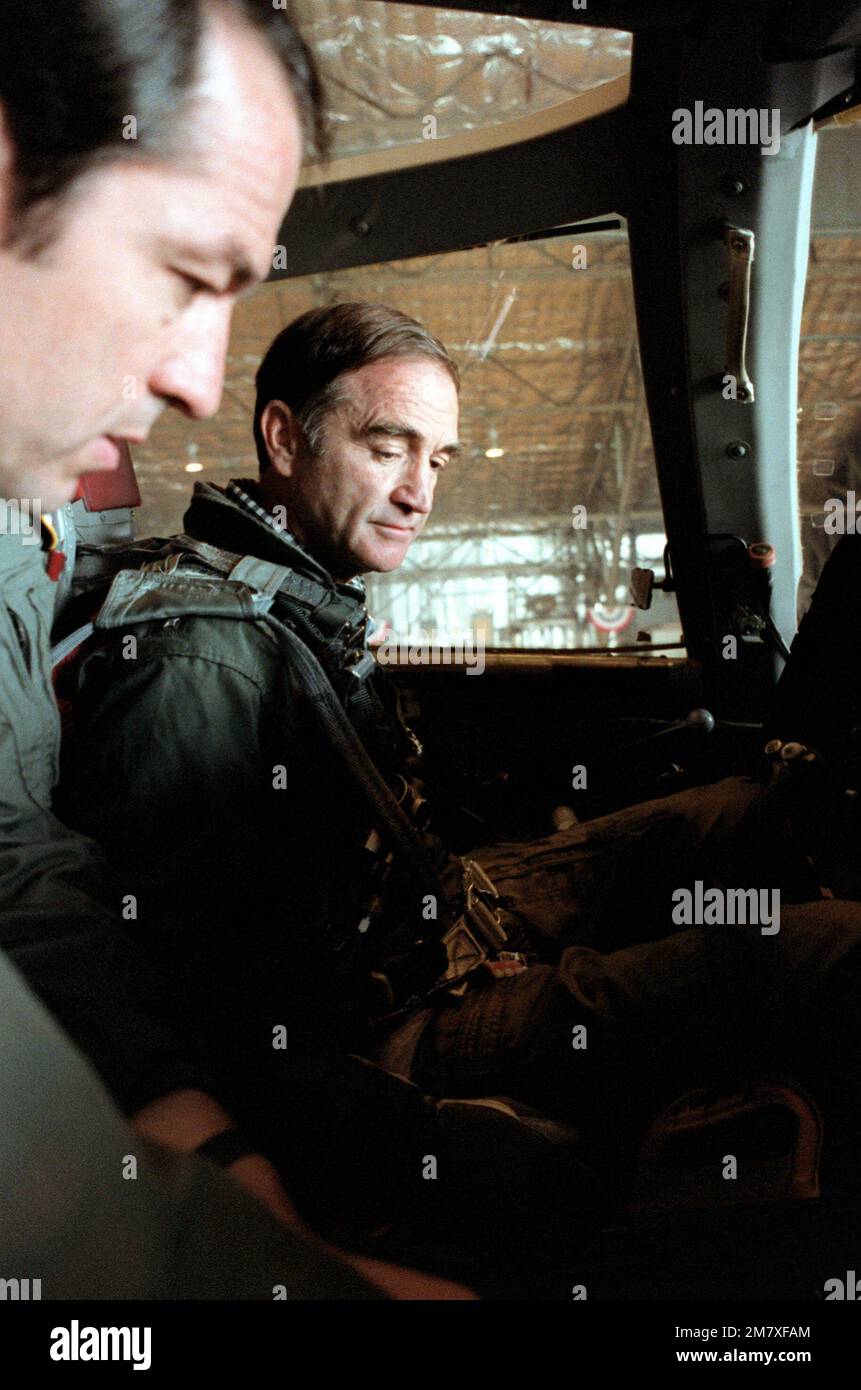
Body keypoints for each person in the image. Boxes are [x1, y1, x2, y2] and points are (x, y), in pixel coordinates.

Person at [65, 301, 861, 1255]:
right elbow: (206, 1007)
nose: (419, 494)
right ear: (283, 437)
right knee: (830, 947)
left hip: (433, 912)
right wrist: (399, 1126)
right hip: (388, 1020)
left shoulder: (290, 598)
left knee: (762, 808)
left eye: (436, 460)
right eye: (389, 447)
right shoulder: (202, 662)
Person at [0, 1, 469, 1300]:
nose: (198, 382)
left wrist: (209, 1169)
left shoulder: (15, 538)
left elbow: (14, 858)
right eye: (182, 274)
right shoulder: (199, 643)